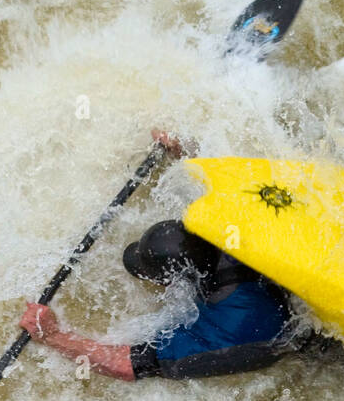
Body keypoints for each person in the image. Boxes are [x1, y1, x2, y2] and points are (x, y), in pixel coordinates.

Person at [19, 129, 308, 382]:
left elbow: (126, 365)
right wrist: (182, 150)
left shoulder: (225, 329)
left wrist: (53, 336)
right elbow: (226, 174)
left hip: (281, 338)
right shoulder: (231, 225)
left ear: (180, 279)